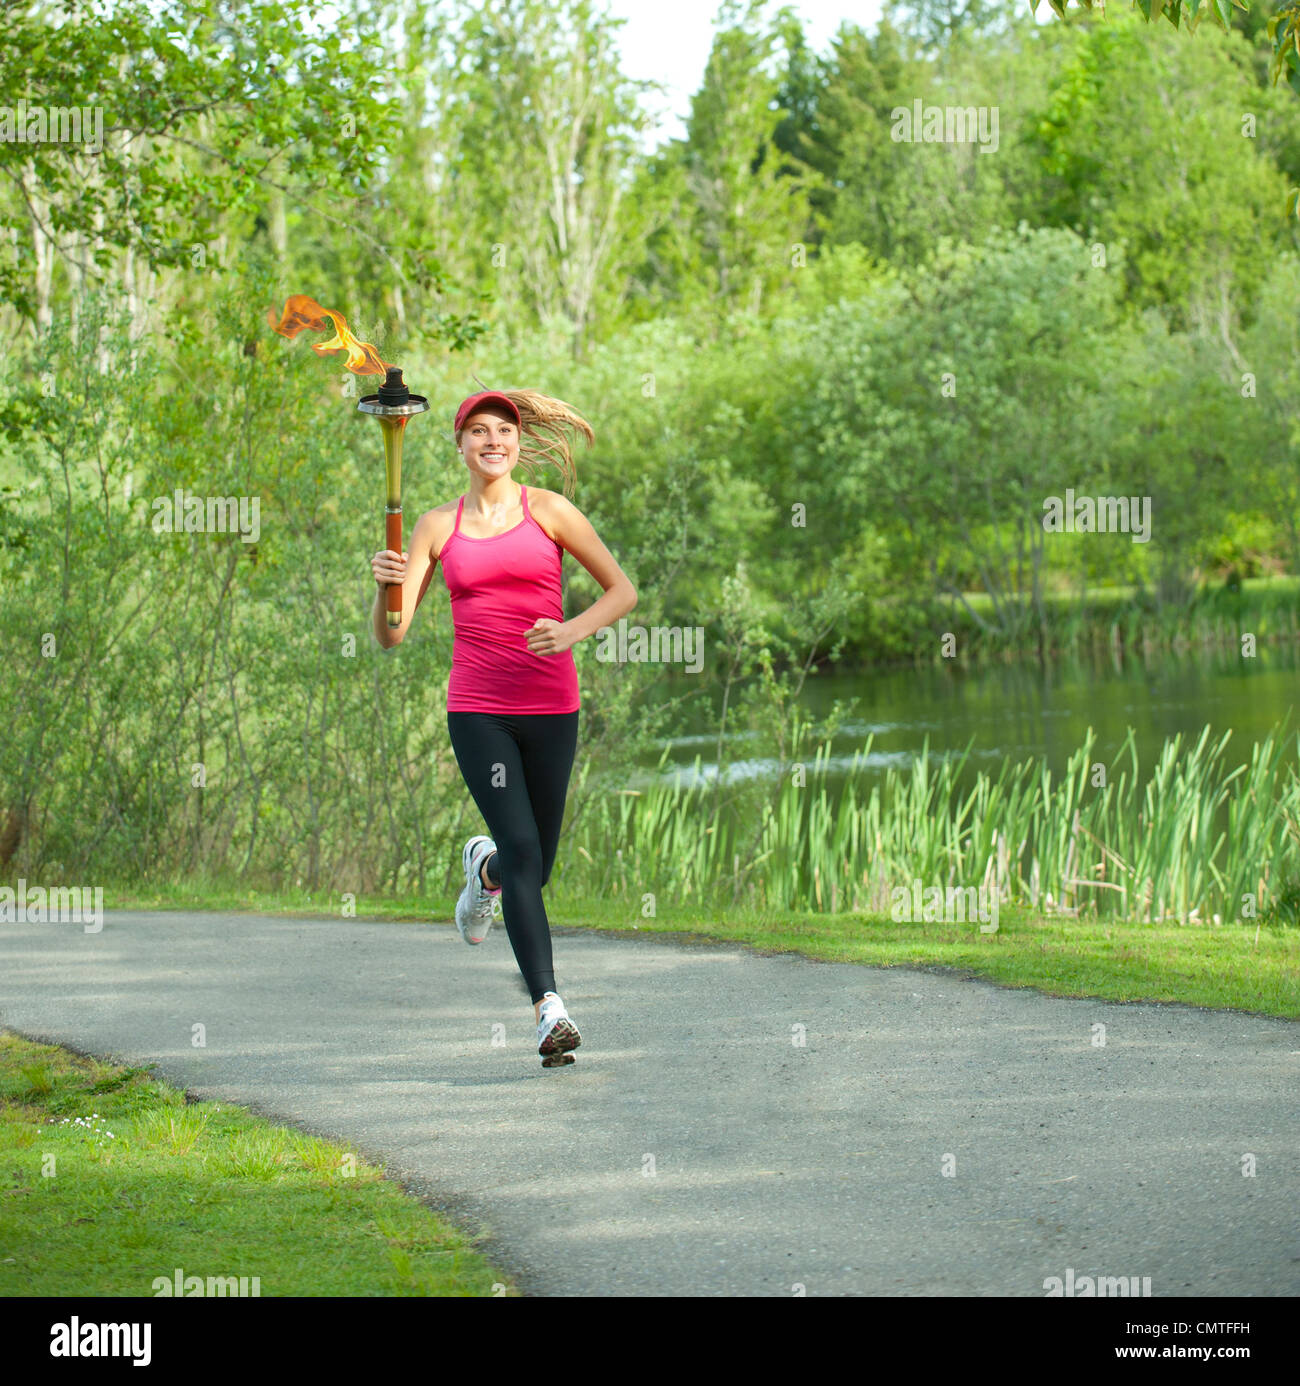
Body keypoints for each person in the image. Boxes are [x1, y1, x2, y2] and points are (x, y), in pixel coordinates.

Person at [370, 387, 637, 1066]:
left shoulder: (549, 511)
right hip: (479, 710)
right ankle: (550, 1010)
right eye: (479, 432)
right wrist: (387, 586)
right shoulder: (437, 526)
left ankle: (481, 869)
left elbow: (621, 591)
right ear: (459, 445)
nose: (493, 441)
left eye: (504, 431)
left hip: (552, 708)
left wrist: (570, 630)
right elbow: (392, 636)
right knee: (524, 847)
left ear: (518, 444)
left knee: (532, 865)